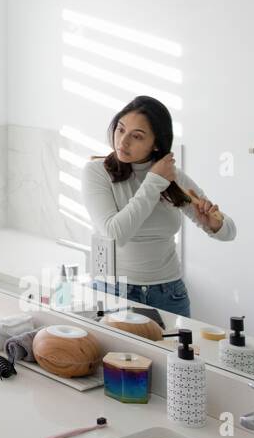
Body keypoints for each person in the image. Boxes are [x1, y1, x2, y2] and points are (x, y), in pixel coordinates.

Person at [80, 95, 236, 318]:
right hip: (114, 292)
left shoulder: (171, 177)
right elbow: (115, 234)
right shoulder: (97, 172)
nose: (123, 142)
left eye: (137, 136)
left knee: (174, 354)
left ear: (156, 145)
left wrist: (215, 224)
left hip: (169, 294)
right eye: (121, 129)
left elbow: (230, 233)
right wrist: (153, 182)